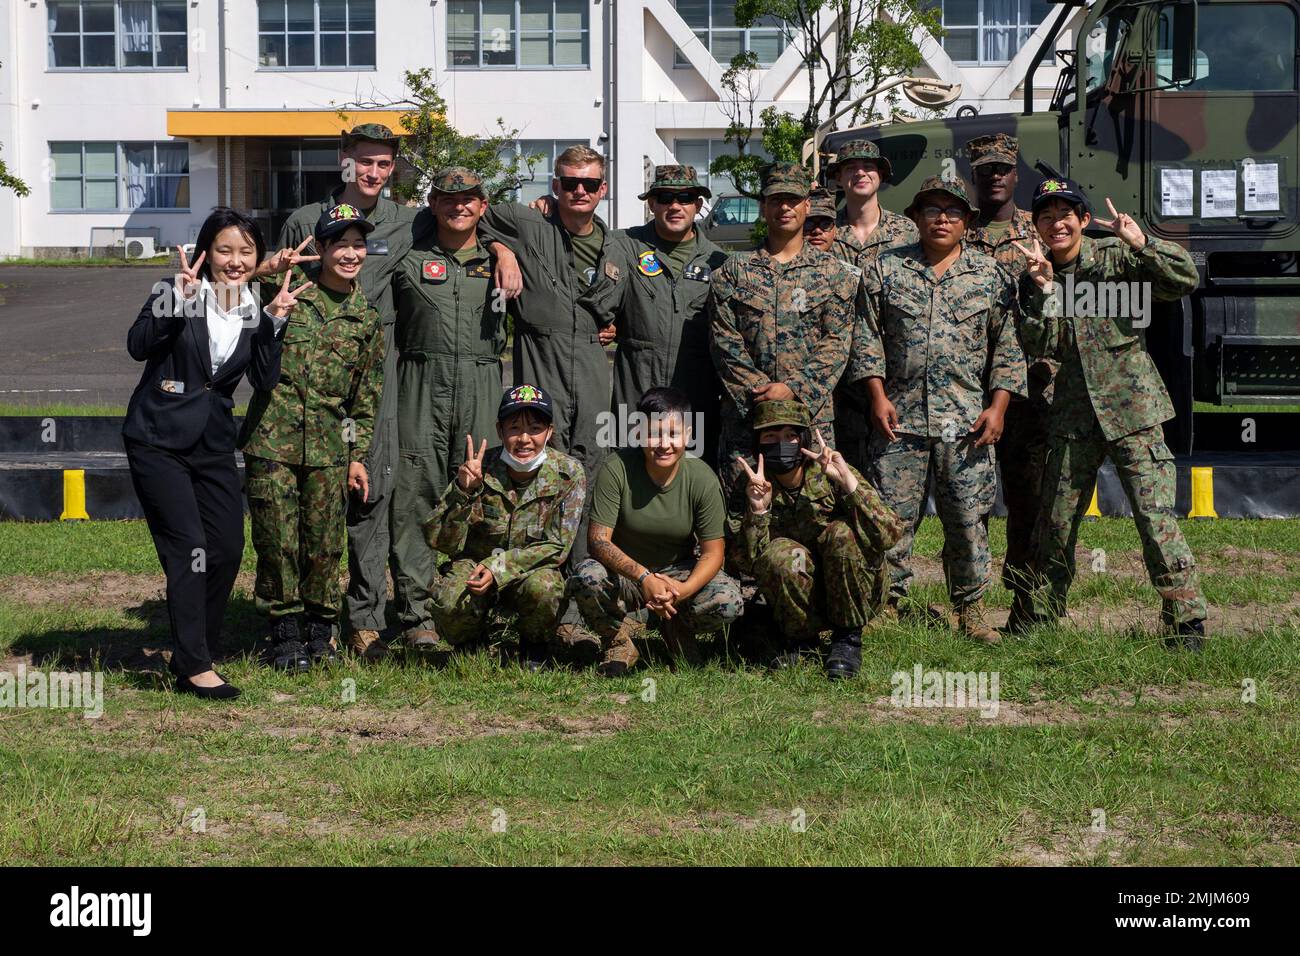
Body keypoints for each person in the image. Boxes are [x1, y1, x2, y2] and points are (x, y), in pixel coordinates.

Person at [1014, 180, 1207, 648]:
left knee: (1154, 517)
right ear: (1037, 226)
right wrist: (1044, 291)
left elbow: (1184, 280)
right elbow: (1041, 345)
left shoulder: (1117, 259)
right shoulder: (1035, 275)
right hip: (1073, 417)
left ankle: (1185, 619)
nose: (1055, 222)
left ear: (1082, 220)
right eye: (1045, 216)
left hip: (1133, 411)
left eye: (1065, 213)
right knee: (1056, 522)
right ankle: (1042, 615)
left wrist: (1143, 242)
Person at [261, 123, 417, 662]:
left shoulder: (407, 222)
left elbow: (460, 227)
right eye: (363, 161)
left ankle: (364, 618)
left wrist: (505, 250)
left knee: (370, 492)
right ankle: (298, 622)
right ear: (344, 161)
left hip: (371, 368)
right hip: (303, 387)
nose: (373, 172)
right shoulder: (306, 221)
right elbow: (268, 289)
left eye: (384, 164)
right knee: (297, 512)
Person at [848, 174, 1025, 644]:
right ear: (916, 218)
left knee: (967, 520)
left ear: (967, 221)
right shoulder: (886, 270)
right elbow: (867, 339)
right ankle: (888, 604)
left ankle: (970, 609)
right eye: (931, 210)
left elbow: (1007, 348)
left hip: (965, 421)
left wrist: (998, 407)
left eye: (952, 212)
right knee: (891, 519)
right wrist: (877, 396)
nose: (941, 219)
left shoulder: (990, 276)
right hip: (898, 421)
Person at [123, 208, 287, 699]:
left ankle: (198, 645)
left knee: (226, 547)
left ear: (257, 259)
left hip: (213, 443)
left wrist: (275, 325)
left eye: (246, 252)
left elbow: (262, 380)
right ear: (205, 252)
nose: (235, 261)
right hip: (158, 438)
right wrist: (176, 299)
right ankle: (194, 664)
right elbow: (137, 346)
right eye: (224, 250)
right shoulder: (176, 290)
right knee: (189, 546)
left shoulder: (256, 306)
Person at [240, 204, 385, 670]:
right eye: (339, 244)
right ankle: (283, 635)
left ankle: (321, 633)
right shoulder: (285, 292)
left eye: (357, 244)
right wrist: (269, 266)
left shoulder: (366, 318)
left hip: (328, 447)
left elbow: (365, 397)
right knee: (276, 539)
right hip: (272, 440)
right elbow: (226, 283)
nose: (349, 253)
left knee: (323, 543)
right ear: (320, 249)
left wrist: (357, 455)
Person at [389, 167, 515, 650]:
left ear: (483, 206)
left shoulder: (503, 261)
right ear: (433, 204)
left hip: (483, 380)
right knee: (416, 493)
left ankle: (473, 608)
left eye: (469, 199)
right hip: (420, 380)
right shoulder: (408, 258)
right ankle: (417, 612)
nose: (458, 206)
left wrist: (505, 250)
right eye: (447, 198)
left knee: (479, 492)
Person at [478, 145, 615, 566]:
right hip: (539, 352)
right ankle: (536, 576)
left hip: (592, 360)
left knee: (592, 459)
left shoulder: (616, 244)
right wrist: (503, 251)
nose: (579, 190)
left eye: (588, 184)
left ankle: (586, 574)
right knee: (542, 459)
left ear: (602, 189)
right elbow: (474, 217)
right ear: (555, 186)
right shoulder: (527, 222)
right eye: (569, 183)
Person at [708, 161, 860, 499]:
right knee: (743, 511)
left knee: (818, 510)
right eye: (776, 200)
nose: (785, 207)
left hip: (809, 420)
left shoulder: (835, 274)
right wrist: (762, 392)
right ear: (763, 207)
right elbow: (724, 343)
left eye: (793, 199)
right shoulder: (734, 271)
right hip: (748, 419)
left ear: (807, 205)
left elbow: (837, 343)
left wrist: (793, 389)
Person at [569, 387, 743, 676]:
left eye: (673, 434)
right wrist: (643, 577)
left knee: (728, 601)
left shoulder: (701, 477)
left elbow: (714, 552)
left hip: (677, 574)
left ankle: (677, 628)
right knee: (587, 576)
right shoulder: (617, 468)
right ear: (638, 434)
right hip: (626, 575)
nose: (663, 444)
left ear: (688, 435)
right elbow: (598, 541)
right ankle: (617, 642)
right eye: (654, 434)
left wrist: (683, 591)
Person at [727, 400, 904, 679]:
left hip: (853, 586)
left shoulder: (829, 473)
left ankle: (847, 639)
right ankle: (802, 641)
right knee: (779, 554)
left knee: (841, 534)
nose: (781, 444)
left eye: (790, 436)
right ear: (758, 444)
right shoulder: (750, 484)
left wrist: (848, 482)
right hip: (796, 591)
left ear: (803, 440)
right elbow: (748, 563)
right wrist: (759, 511)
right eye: (770, 437)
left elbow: (890, 534)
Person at [578, 164, 730, 468]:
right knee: (625, 470)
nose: (674, 206)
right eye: (664, 197)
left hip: (695, 392)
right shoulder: (624, 245)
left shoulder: (718, 262)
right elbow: (598, 303)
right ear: (651, 203)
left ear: (698, 205)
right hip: (636, 388)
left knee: (693, 473)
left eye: (685, 198)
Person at [425, 384, 586, 669]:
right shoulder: (478, 467)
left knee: (546, 587)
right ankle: (471, 641)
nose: (524, 439)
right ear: (500, 431)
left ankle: (534, 646)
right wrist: (463, 492)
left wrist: (498, 568)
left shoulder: (568, 473)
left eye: (535, 428)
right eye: (514, 428)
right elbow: (440, 541)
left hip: (530, 570)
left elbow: (558, 546)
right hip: (475, 565)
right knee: (448, 599)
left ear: (549, 432)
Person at [964, 133, 1050, 632]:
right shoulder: (956, 231)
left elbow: (1062, 306)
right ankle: (968, 605)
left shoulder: (1038, 234)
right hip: (968, 391)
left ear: (1016, 175)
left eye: (1003, 169)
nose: (995, 176)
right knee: (968, 505)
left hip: (1029, 395)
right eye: (985, 170)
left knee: (1028, 504)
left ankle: (1025, 606)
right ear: (973, 177)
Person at [823, 140, 920, 472]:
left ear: (881, 175)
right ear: (838, 178)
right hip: (836, 373)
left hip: (894, 372)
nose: (860, 173)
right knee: (841, 470)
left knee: (891, 473)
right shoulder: (825, 233)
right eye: (850, 167)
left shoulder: (907, 233)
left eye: (868, 167)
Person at [803, 188, 838, 252]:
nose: (817, 231)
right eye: (808, 224)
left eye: (825, 224)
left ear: (835, 231)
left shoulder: (840, 262)